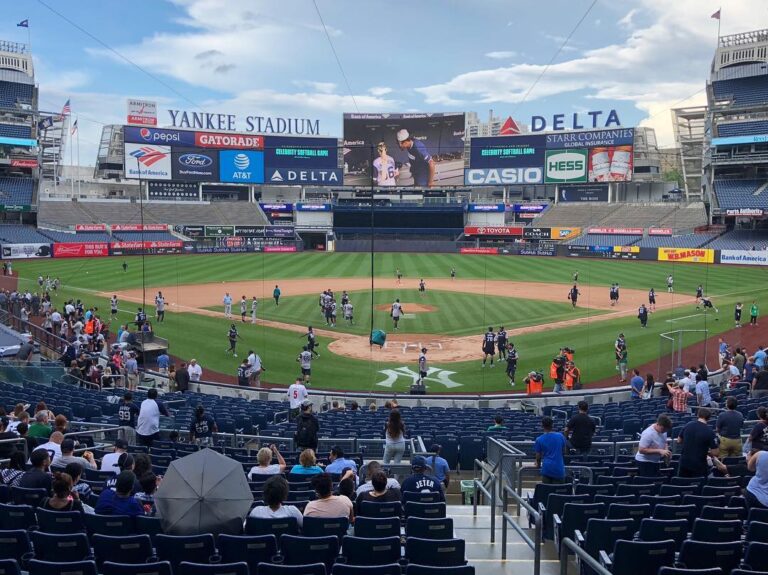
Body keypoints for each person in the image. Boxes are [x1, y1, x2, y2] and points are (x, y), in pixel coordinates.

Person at [677, 408, 720, 478]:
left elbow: (679, 440)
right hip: (699, 464)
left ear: (698, 415)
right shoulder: (710, 432)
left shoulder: (688, 425)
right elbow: (716, 453)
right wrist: (707, 451)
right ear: (709, 418)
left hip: (684, 462)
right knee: (697, 486)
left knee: (682, 485)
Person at [534, 416, 566, 484]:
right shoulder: (560, 436)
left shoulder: (539, 439)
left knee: (547, 491)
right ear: (552, 425)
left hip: (546, 469)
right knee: (558, 493)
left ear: (542, 426)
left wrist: (538, 465)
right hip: (559, 468)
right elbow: (564, 451)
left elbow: (538, 456)